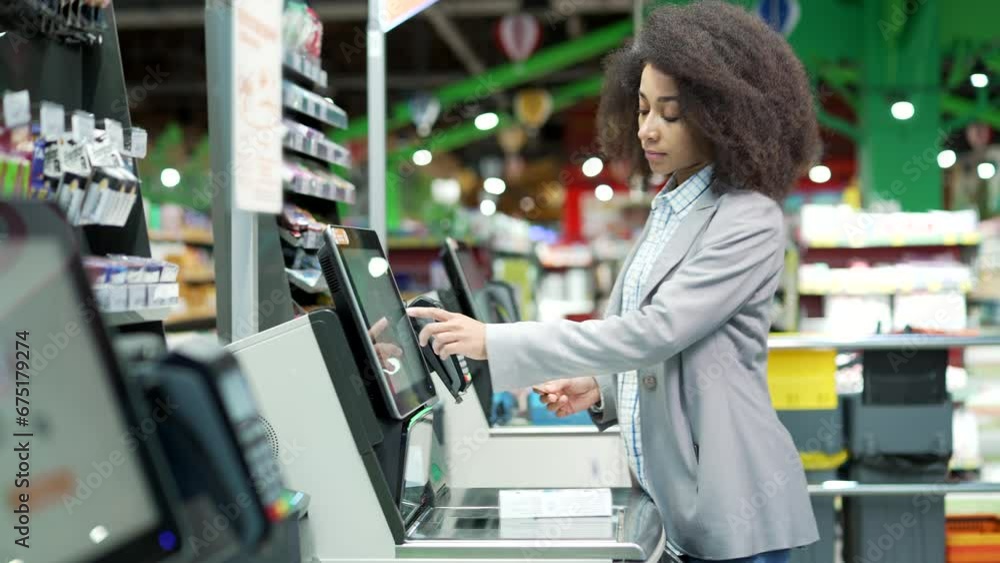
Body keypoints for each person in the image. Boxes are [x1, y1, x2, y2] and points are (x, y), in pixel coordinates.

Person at [408, 2, 820, 561]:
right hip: (673, 501)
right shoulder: (672, 207)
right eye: (644, 108)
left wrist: (496, 341)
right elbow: (670, 356)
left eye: (670, 114)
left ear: (725, 116)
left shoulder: (748, 219)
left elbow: (653, 332)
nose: (647, 128)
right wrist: (604, 388)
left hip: (733, 506)